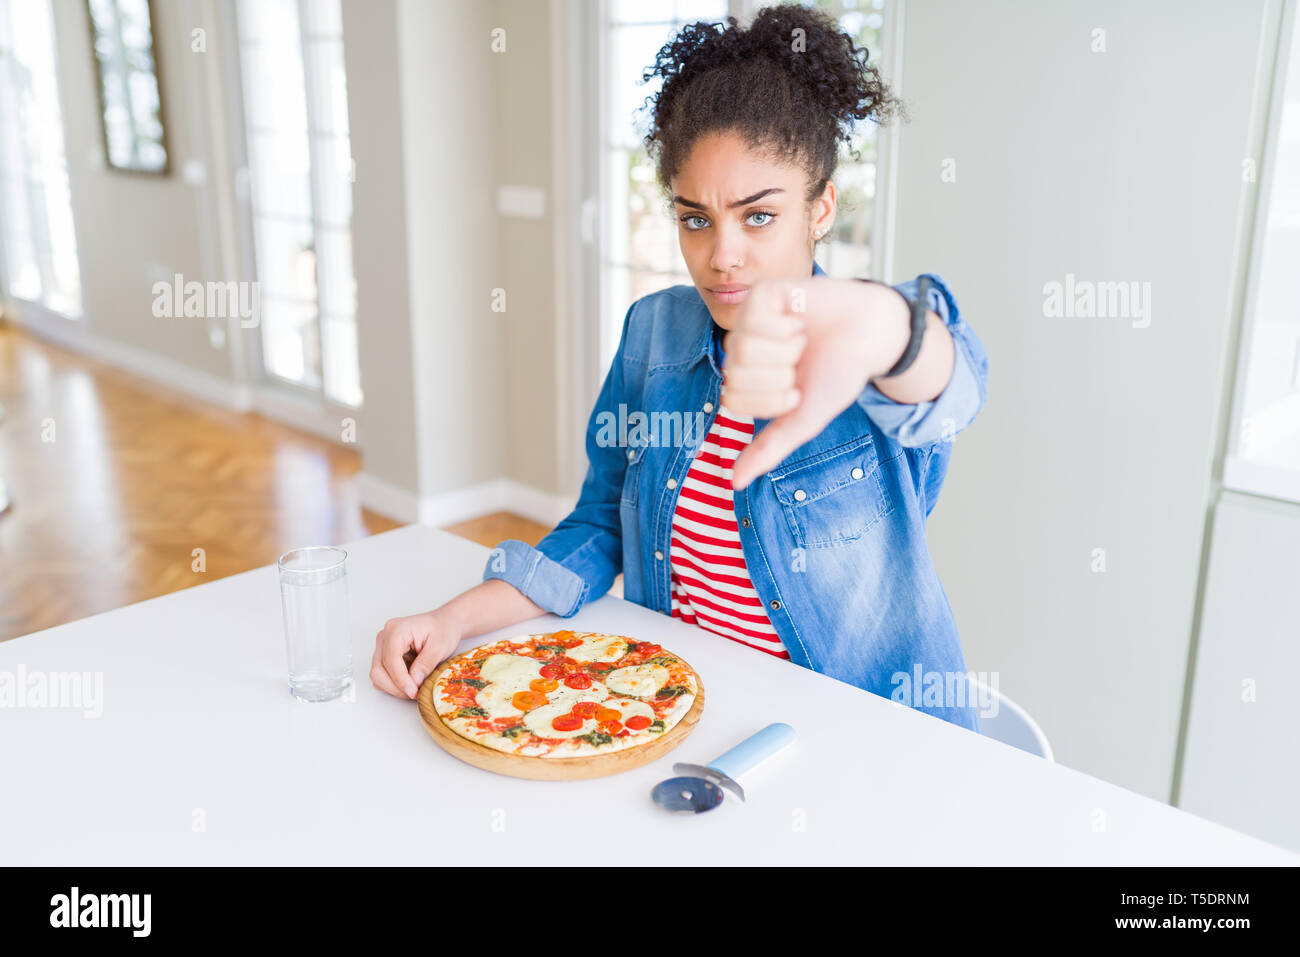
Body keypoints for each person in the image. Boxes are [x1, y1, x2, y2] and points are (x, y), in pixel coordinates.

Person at [372, 4, 989, 731]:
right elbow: (600, 524)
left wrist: (891, 325)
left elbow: (952, 387)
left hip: (872, 741)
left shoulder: (864, 347)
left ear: (821, 207)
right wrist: (454, 618)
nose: (721, 253)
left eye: (759, 215)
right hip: (689, 716)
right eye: (695, 217)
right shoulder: (653, 332)